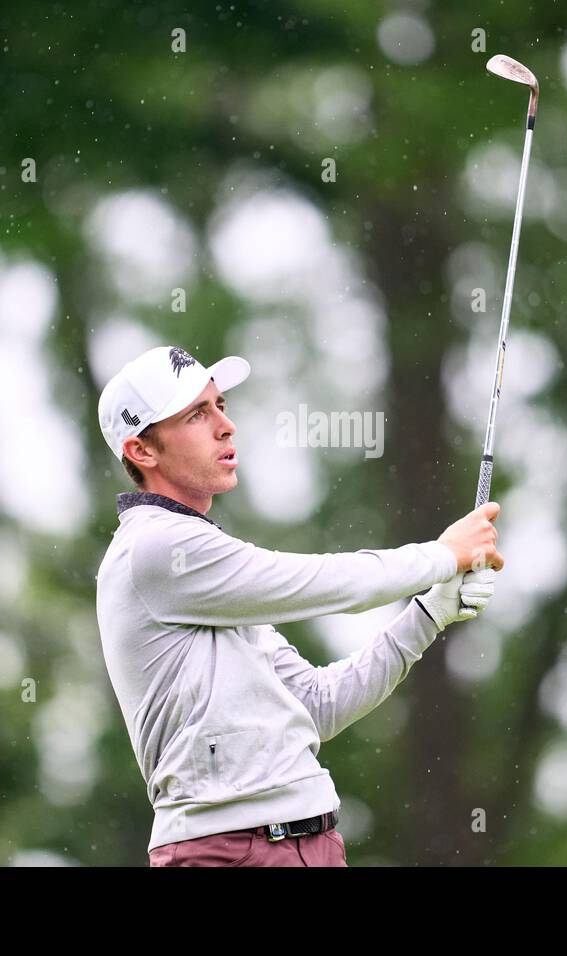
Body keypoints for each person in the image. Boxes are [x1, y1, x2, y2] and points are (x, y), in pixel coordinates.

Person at [95, 345, 503, 866]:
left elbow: (314, 704)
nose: (226, 426)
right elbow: (321, 583)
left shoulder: (204, 572)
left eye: (220, 405)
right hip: (225, 851)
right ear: (142, 451)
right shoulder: (157, 549)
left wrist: (429, 613)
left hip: (314, 844)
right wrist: (443, 556)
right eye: (197, 414)